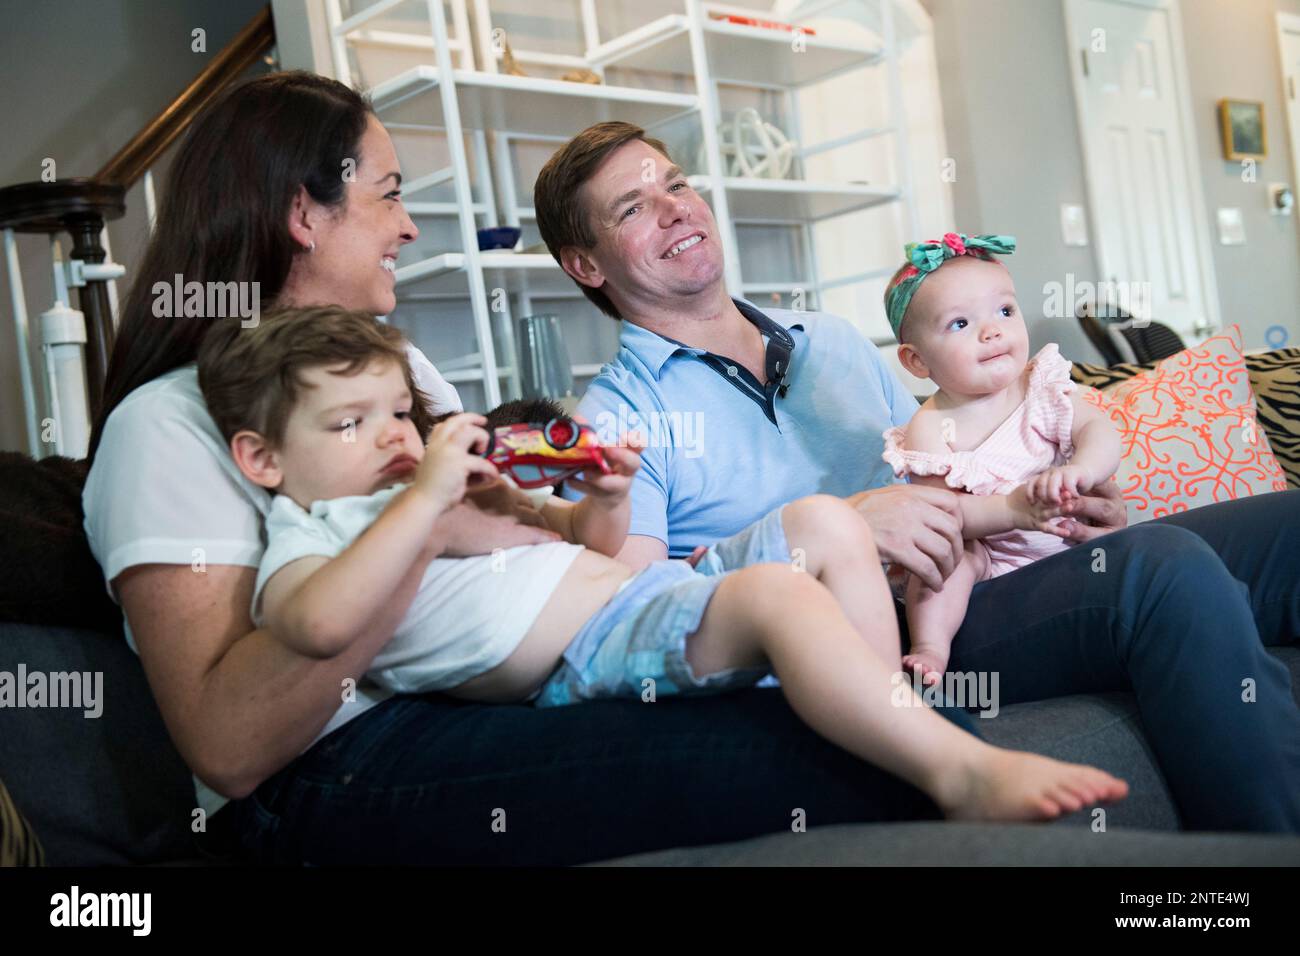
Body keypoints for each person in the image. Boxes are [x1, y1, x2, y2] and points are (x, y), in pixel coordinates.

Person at [81, 71, 1006, 867]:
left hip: (536, 669)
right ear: (302, 215)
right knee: (857, 756)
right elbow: (231, 750)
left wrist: (576, 507)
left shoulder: (410, 378)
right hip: (352, 757)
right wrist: (426, 526)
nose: (407, 227)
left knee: (873, 718)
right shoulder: (168, 423)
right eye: (391, 194)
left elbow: (553, 544)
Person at [535, 120, 1300, 833]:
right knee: (1157, 574)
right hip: (906, 634)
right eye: (635, 206)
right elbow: (632, 611)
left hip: (993, 565)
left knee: (1287, 528)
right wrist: (838, 526)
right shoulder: (615, 417)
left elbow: (949, 453)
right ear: (586, 263)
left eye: (676, 182)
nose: (675, 209)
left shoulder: (829, 340)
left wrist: (1062, 491)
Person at [196, 305, 1129, 823]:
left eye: (400, 411)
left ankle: (888, 707)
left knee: (823, 523)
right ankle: (952, 770)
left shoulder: (457, 492)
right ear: (263, 461)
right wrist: (427, 498)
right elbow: (317, 627)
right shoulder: (314, 537)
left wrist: (604, 495)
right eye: (350, 424)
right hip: (592, 651)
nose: (395, 437)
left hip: (649, 590)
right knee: (770, 595)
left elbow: (588, 543)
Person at [880, 233, 1121, 685]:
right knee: (948, 559)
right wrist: (1012, 510)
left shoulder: (1040, 388)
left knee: (1129, 555)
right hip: (991, 562)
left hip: (1069, 540)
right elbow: (944, 517)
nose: (992, 331)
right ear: (916, 361)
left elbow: (1099, 430)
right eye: (959, 324)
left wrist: (1083, 469)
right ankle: (931, 646)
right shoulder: (929, 427)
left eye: (1005, 311)